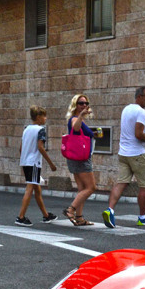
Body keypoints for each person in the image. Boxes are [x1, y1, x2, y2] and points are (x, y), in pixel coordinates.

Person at [103, 86, 145, 228]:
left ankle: (110, 210)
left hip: (123, 153)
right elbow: (138, 134)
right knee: (144, 186)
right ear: (139, 97)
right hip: (137, 154)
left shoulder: (126, 109)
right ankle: (142, 217)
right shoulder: (141, 112)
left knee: (121, 182)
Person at [15, 105, 57, 226]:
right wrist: (51, 164)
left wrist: (25, 158)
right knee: (30, 188)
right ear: (38, 117)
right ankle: (20, 217)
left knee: (37, 189)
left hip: (25, 162)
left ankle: (46, 215)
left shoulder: (26, 129)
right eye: (44, 116)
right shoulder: (41, 130)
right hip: (33, 163)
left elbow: (20, 148)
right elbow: (40, 147)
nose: (45, 118)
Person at [63, 93, 98, 226]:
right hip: (81, 158)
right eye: (81, 103)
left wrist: (92, 134)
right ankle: (70, 209)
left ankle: (79, 217)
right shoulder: (74, 119)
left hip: (75, 157)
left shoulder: (79, 119)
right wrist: (82, 115)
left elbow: (79, 132)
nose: (84, 105)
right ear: (75, 105)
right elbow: (75, 128)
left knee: (82, 188)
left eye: (86, 103)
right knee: (91, 187)